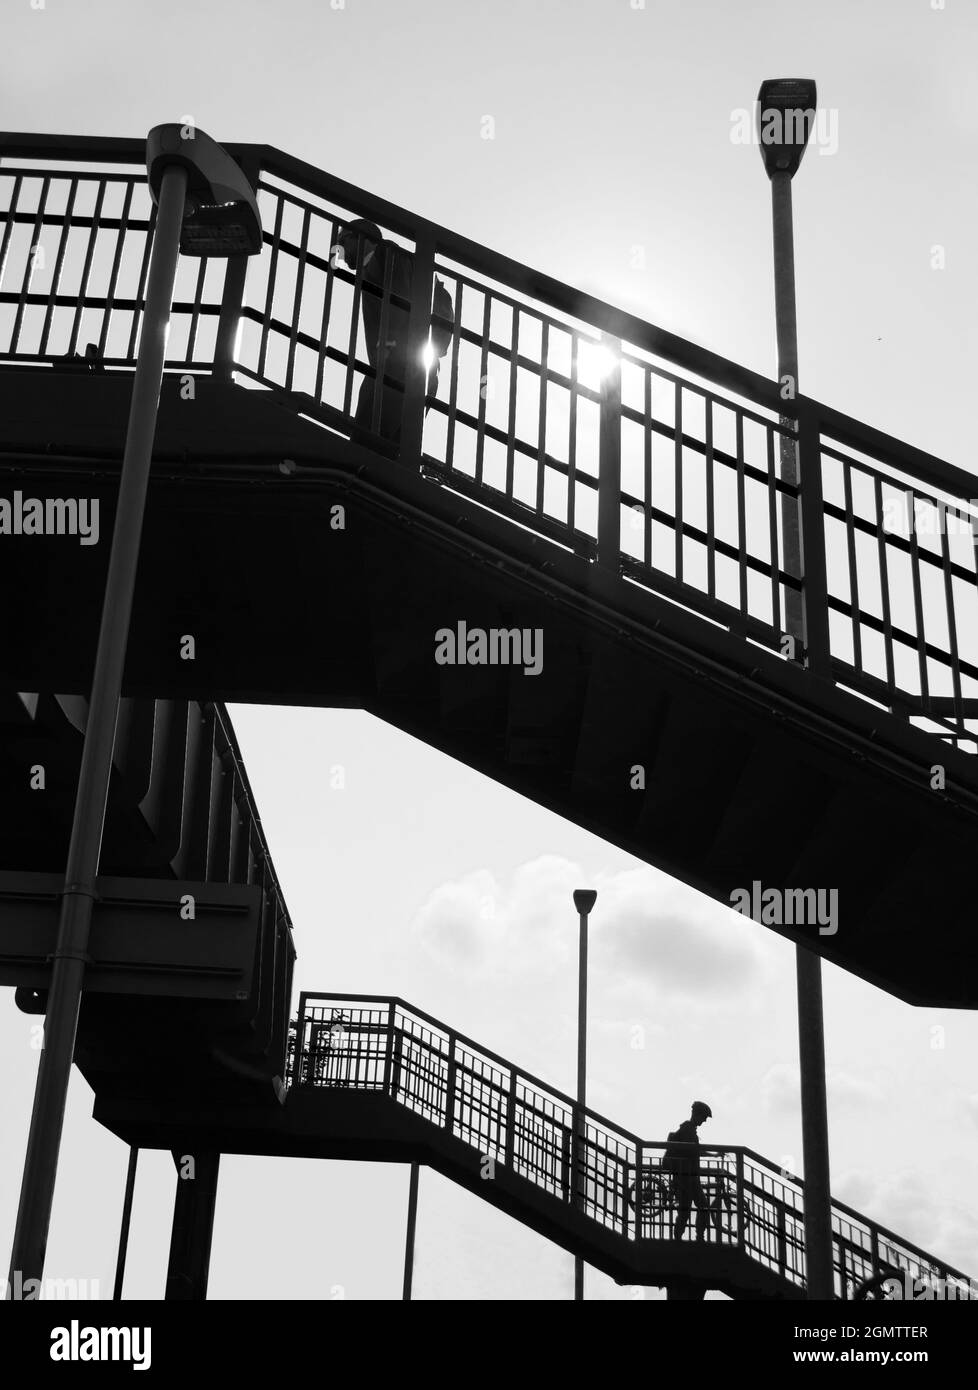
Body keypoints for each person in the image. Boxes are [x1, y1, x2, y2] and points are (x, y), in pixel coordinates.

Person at [334, 218, 454, 445]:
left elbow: (400, 300)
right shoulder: (392, 260)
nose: (340, 252)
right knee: (394, 451)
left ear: (361, 237)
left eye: (342, 242)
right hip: (420, 369)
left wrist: (387, 346)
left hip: (398, 368)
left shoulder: (385, 255)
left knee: (365, 444)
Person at [662, 1100, 713, 1241]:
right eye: (703, 1117)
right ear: (696, 1115)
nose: (704, 1121)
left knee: (687, 1209)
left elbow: (694, 1150)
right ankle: (695, 1237)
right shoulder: (688, 1131)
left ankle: (680, 1237)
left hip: (687, 1176)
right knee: (698, 1207)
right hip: (686, 1177)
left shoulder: (687, 1130)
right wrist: (713, 1155)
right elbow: (694, 1151)